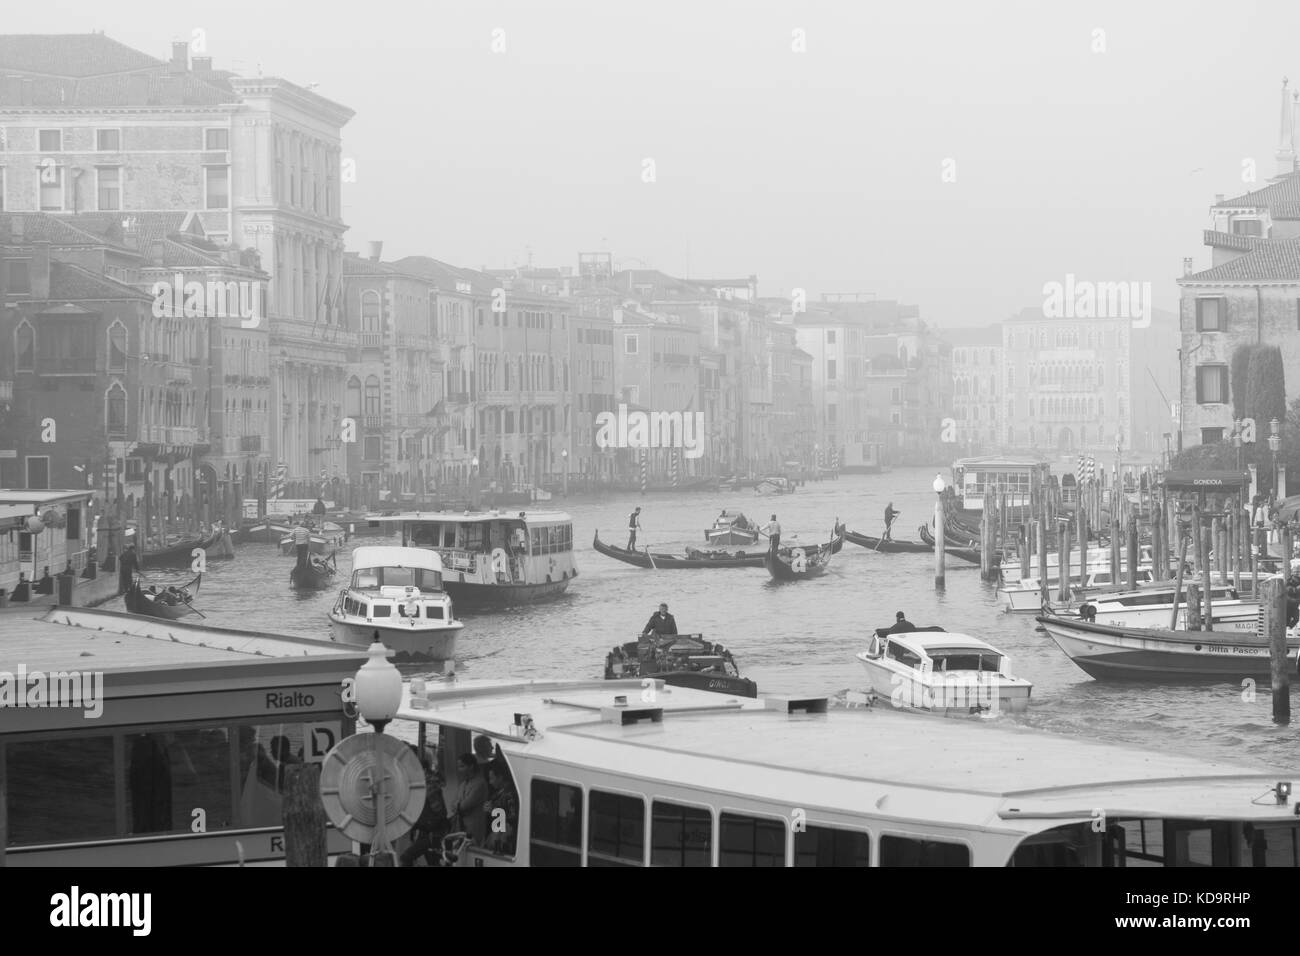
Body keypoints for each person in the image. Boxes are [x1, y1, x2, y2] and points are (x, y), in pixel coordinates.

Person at [401, 745, 448, 867]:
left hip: (433, 833)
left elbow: (440, 813)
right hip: (427, 831)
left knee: (406, 857)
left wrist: (422, 825)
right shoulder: (421, 783)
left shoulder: (429, 785)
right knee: (433, 862)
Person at [448, 752, 489, 846]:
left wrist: (458, 804)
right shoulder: (463, 784)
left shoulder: (480, 784)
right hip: (460, 829)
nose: (459, 770)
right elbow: (452, 805)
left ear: (471, 767)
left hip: (474, 830)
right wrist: (458, 805)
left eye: (462, 766)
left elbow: (464, 806)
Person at [482, 762, 519, 856]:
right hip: (496, 834)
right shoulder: (499, 792)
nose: (490, 782)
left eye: (492, 778)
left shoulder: (510, 794)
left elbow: (514, 818)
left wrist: (494, 811)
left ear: (500, 777)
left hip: (505, 838)